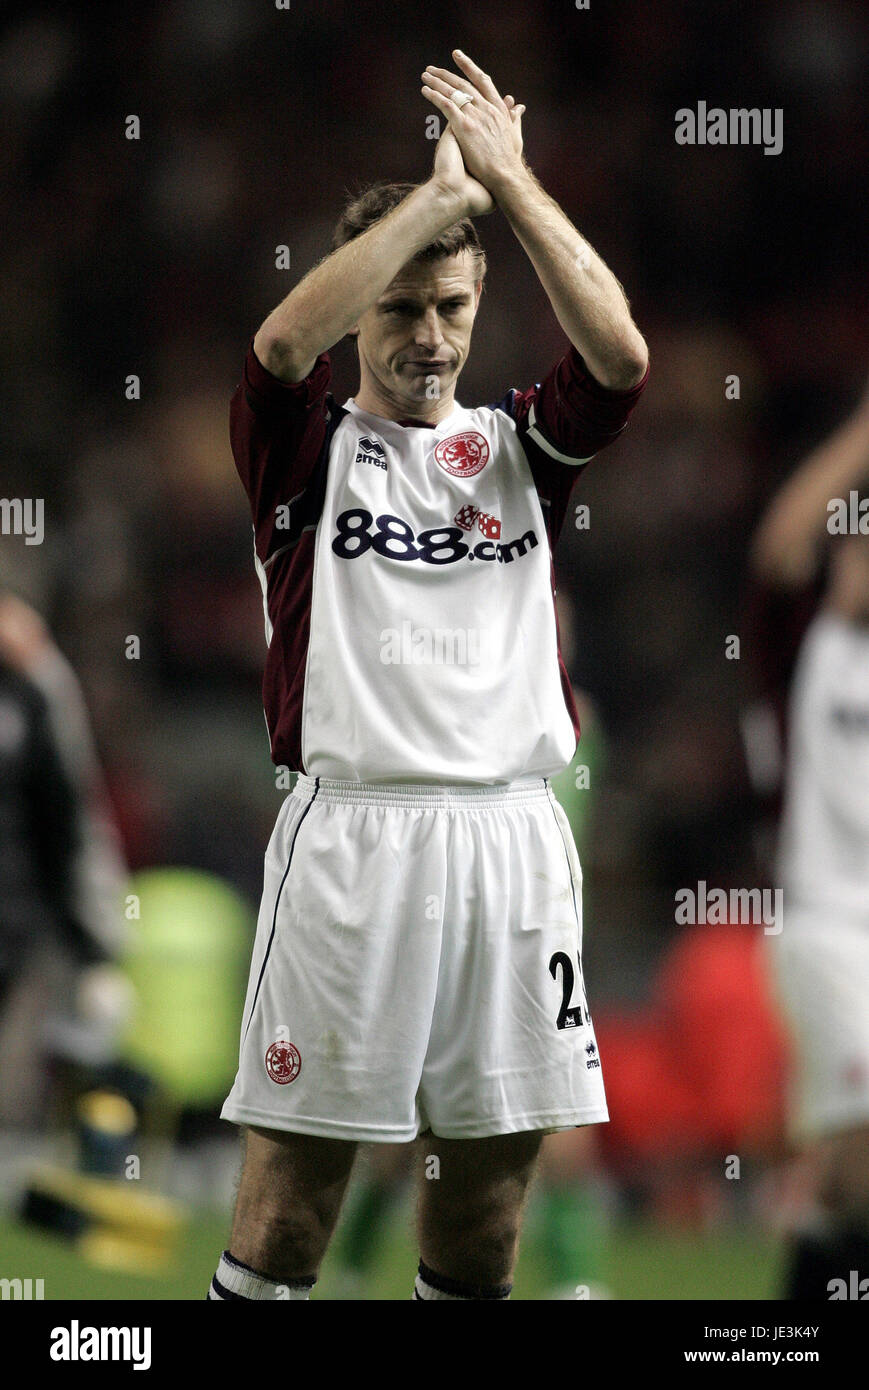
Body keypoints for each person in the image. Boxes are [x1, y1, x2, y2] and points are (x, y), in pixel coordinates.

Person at [211, 49, 648, 1302]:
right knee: (290, 1213)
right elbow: (281, 337)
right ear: (365, 309)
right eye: (402, 307)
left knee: (482, 1225)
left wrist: (504, 181)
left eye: (452, 307)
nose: (430, 336)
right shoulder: (301, 451)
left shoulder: (518, 446)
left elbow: (618, 356)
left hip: (511, 842)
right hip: (355, 840)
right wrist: (430, 202)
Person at [749, 373, 869, 1299]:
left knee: (840, 1174)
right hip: (825, 924)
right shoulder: (805, 644)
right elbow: (783, 539)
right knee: (864, 1139)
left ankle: (789, 1323)